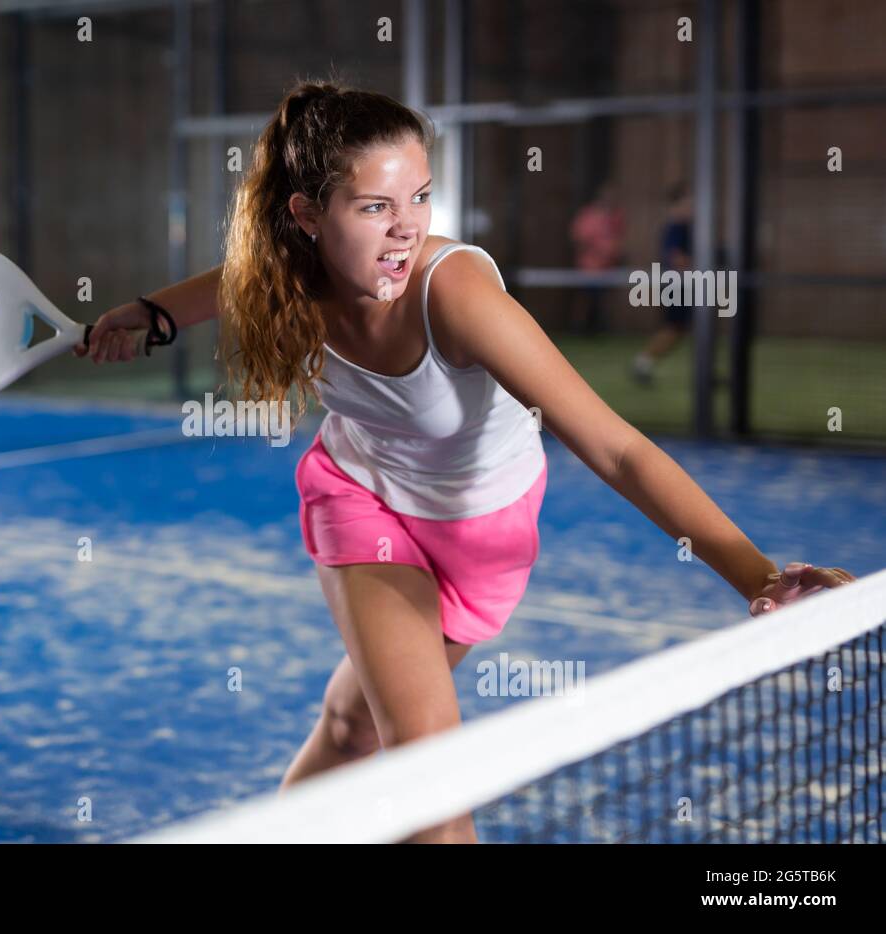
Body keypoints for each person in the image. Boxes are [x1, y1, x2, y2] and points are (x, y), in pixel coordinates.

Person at [75, 81, 854, 842]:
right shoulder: (289, 275)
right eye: (376, 206)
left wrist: (757, 577)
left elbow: (616, 448)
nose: (406, 227)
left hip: (486, 534)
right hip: (363, 503)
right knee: (431, 785)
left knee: (352, 728)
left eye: (420, 197)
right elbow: (240, 279)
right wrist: (149, 314)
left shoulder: (456, 296)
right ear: (307, 217)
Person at [631, 182, 693, 384]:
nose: (693, 205)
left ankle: (644, 363)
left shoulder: (682, 227)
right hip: (676, 284)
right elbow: (678, 259)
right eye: (689, 200)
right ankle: (642, 363)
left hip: (680, 283)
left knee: (679, 329)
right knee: (674, 327)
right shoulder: (676, 227)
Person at [568, 181, 625, 334]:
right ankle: (578, 327)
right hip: (589, 266)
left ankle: (602, 327)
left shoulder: (616, 216)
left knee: (604, 299)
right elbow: (579, 239)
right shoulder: (588, 216)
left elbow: (618, 237)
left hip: (609, 266)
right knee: (585, 299)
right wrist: (596, 252)